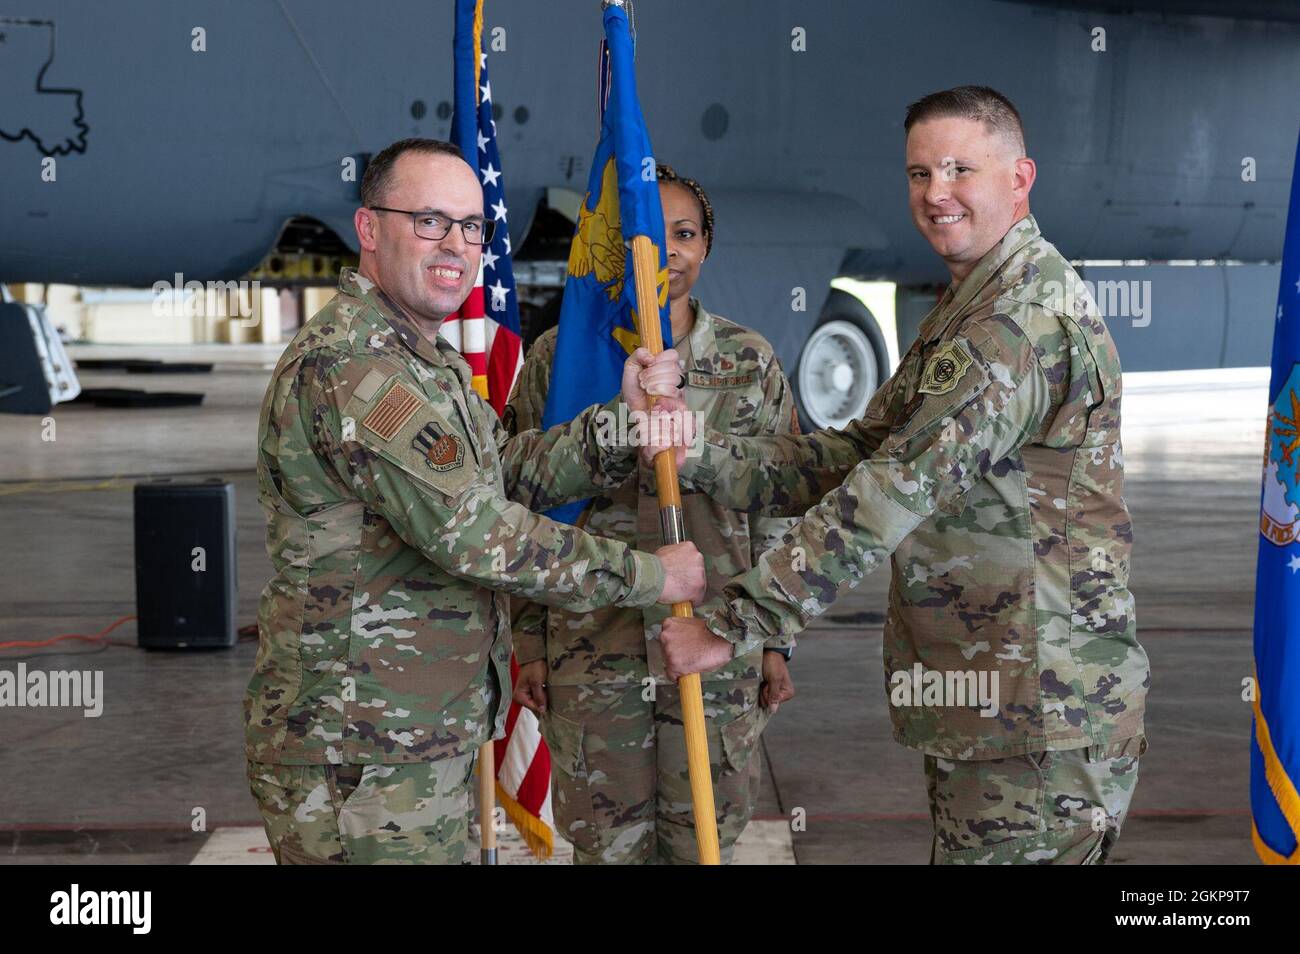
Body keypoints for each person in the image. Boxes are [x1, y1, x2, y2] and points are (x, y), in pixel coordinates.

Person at [659, 87, 1149, 864]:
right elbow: (853, 455)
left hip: (1040, 716)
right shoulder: (970, 308)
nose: (935, 193)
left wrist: (729, 625)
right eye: (919, 173)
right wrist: (699, 453)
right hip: (995, 703)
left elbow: (888, 494)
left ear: (1021, 179)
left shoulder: (1016, 327)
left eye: (960, 169)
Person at [244, 137, 702, 865]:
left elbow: (501, 473)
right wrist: (654, 577)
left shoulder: (421, 358)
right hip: (364, 749)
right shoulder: (356, 369)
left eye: (471, 225)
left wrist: (621, 424)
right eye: (429, 221)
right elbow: (482, 533)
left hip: (410, 735)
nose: (455, 244)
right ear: (369, 229)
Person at [505, 164, 798, 865]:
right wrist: (533, 643)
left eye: (685, 233)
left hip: (717, 642)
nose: (665, 249)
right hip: (590, 647)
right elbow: (518, 500)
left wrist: (776, 637)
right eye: (645, 232)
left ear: (707, 247)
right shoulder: (561, 360)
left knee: (705, 838)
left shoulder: (747, 362)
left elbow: (783, 505)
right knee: (606, 847)